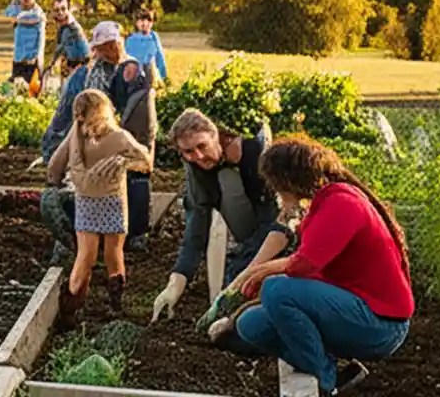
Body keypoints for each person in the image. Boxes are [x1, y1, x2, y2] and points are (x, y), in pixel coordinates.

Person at [221, 138, 412, 396]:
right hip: (350, 308)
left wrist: (262, 271)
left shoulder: (342, 202)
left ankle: (325, 380)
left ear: (289, 180)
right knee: (250, 325)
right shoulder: (323, 203)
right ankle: (331, 367)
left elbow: (304, 265)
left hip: (380, 324)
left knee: (277, 289)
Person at [150, 108, 292, 323]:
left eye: (202, 146)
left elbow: (275, 218)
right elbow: (196, 228)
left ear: (216, 136)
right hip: (249, 231)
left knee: (243, 277)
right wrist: (176, 283)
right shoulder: (197, 170)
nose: (197, 156)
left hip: (282, 232)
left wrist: (250, 266)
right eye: (188, 152)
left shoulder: (257, 156)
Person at [41, 21, 157, 256]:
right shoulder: (90, 77)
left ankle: (127, 238)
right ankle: (78, 241)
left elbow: (144, 142)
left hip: (114, 175)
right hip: (91, 191)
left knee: (134, 184)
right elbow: (54, 168)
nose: (98, 53)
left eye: (102, 47)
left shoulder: (132, 75)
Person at [50, 89, 152, 324]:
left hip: (86, 199)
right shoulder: (119, 137)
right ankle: (115, 306)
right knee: (113, 254)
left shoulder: (76, 134)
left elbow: (57, 161)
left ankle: (70, 307)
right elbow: (146, 162)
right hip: (113, 201)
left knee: (85, 255)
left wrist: (53, 182)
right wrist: (124, 162)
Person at [4, 0, 45, 84]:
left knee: (33, 88)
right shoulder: (17, 10)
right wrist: (15, 0)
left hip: (32, 58)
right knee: (15, 88)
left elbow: (35, 20)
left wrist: (36, 56)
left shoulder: (38, 12)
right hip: (18, 57)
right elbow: (8, 13)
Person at [43, 0, 89, 79]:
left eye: (63, 9)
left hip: (81, 67)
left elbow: (81, 45)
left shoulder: (73, 27)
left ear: (69, 9)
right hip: (69, 65)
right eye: (57, 10)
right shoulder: (62, 28)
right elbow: (60, 47)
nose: (60, 13)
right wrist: (51, 63)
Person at [125, 8, 169, 83]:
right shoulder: (130, 40)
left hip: (150, 75)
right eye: (142, 20)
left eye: (149, 20)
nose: (145, 23)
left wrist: (164, 76)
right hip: (133, 76)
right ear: (136, 22)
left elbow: (160, 57)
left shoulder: (153, 37)